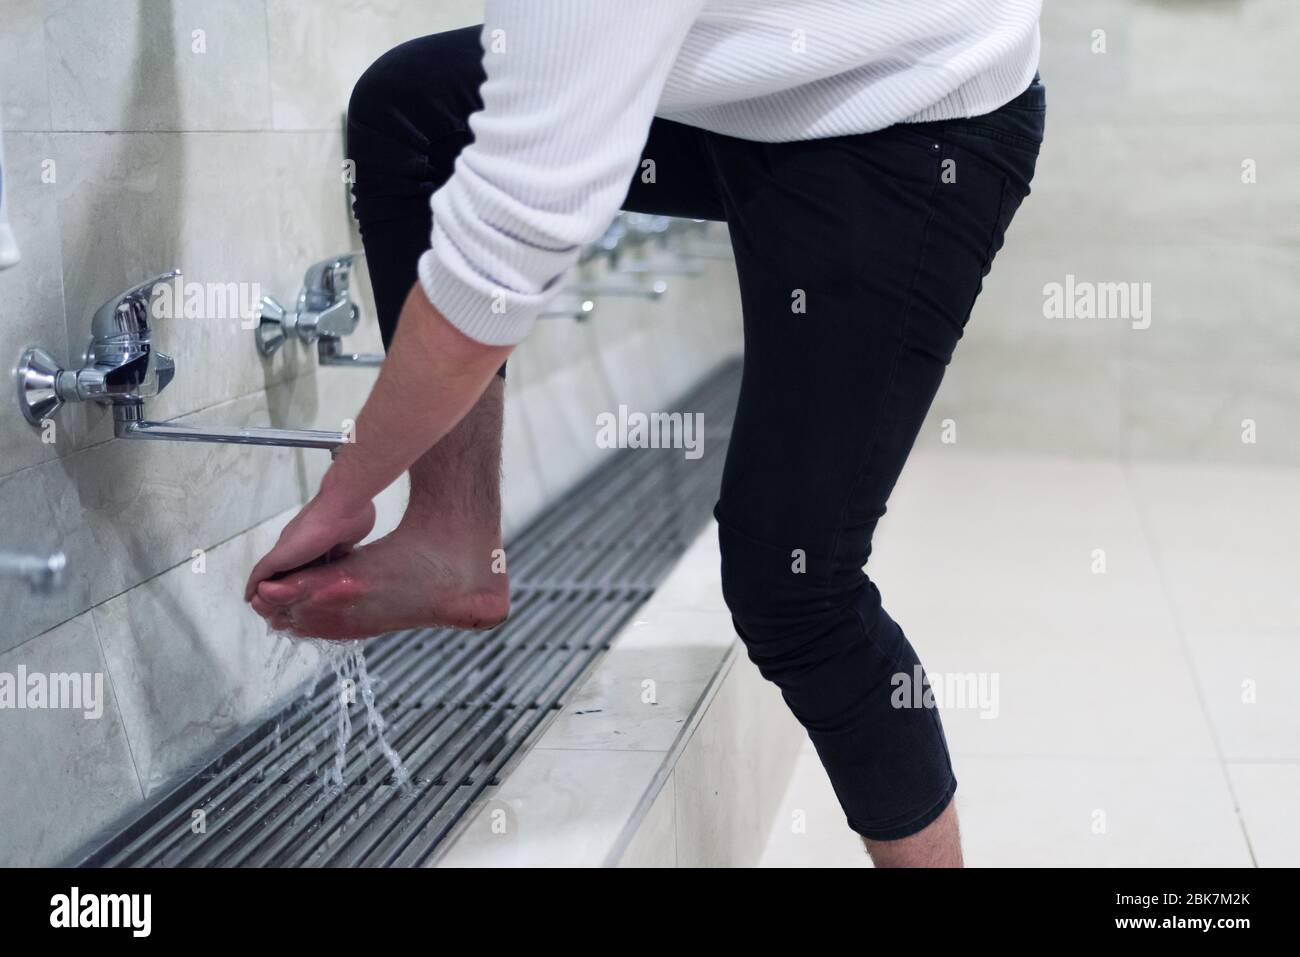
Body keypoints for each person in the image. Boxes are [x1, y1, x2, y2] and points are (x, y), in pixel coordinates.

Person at [245, 0, 1046, 867]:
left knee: (796, 586)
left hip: (913, 118)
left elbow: (504, 251)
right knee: (414, 108)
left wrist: (348, 486)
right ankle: (453, 536)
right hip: (764, 78)